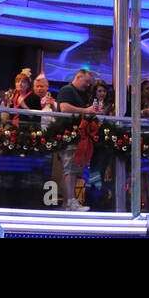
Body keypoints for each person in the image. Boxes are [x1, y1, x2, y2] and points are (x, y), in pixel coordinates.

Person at [56, 68, 100, 211]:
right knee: (70, 170)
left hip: (76, 137)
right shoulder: (67, 90)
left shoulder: (80, 94)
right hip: (69, 136)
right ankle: (70, 201)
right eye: (86, 81)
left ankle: (68, 203)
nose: (88, 85)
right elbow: (64, 108)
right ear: (78, 77)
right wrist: (86, 111)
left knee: (71, 171)